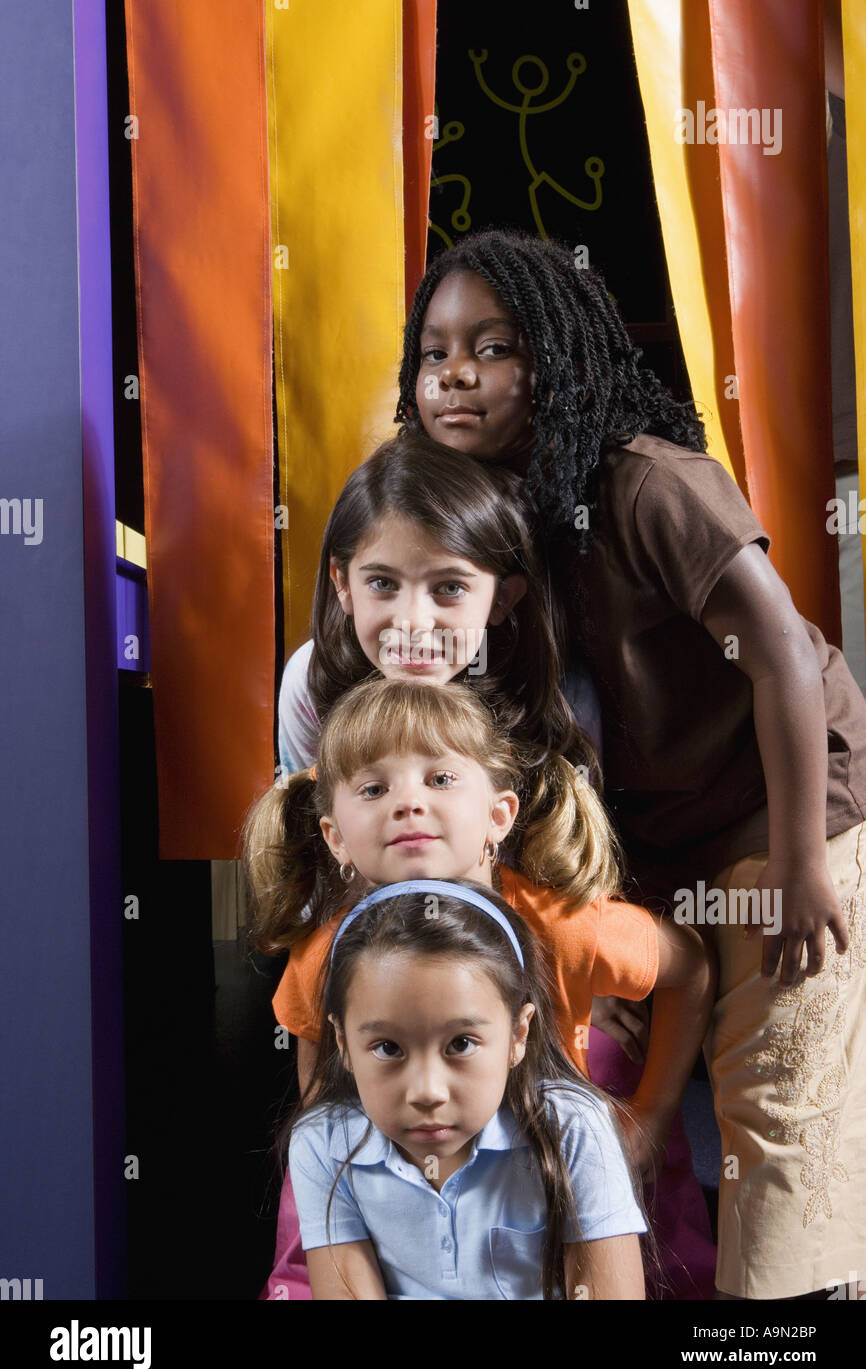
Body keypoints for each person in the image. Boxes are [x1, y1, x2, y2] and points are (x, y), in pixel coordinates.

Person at [394, 227, 866, 1300]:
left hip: (786, 809)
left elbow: (783, 656)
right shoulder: (477, 529)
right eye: (433, 352)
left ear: (558, 363)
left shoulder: (648, 483)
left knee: (774, 1105)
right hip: (651, 844)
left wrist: (801, 865)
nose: (454, 372)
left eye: (493, 346)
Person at [245, 678, 713, 1296]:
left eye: (439, 779)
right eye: (375, 788)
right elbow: (322, 1088)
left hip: (538, 1168)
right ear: (336, 837)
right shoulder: (326, 957)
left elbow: (691, 968)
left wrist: (651, 1113)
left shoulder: (569, 929)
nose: (408, 804)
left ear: (499, 815)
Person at [286, 878, 647, 1300]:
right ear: (344, 1044)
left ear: (518, 1034)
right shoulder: (322, 1143)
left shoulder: (574, 1128)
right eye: (388, 1048)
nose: (427, 1092)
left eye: (460, 1044)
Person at [276, 430, 597, 778]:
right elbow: (307, 823)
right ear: (343, 584)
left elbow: (573, 829)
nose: (413, 623)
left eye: (450, 587)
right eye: (383, 583)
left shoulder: (557, 697)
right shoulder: (311, 681)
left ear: (502, 598)